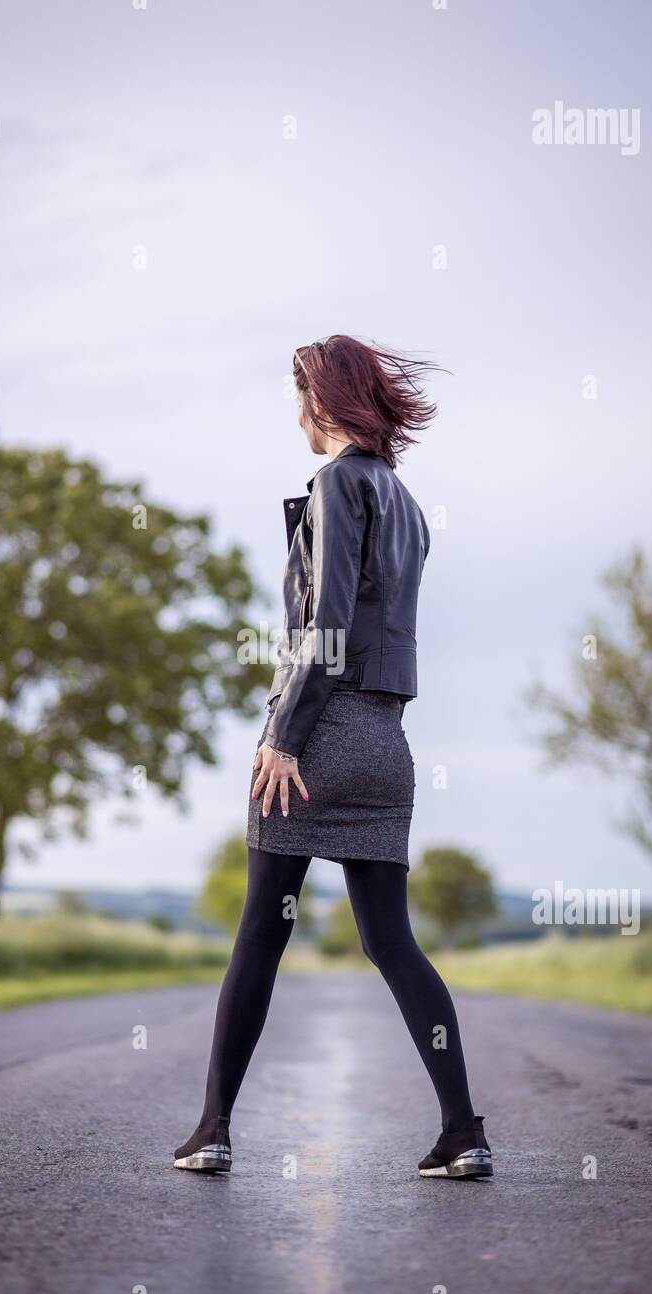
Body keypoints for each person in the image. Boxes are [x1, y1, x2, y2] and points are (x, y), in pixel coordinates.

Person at [174, 335, 492, 1180]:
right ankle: (464, 1133)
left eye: (300, 396)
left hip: (317, 735)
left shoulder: (336, 483)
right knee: (392, 941)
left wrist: (282, 733)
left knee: (258, 936)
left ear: (323, 400)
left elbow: (328, 630)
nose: (297, 413)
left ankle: (213, 1129)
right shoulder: (407, 502)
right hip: (387, 743)